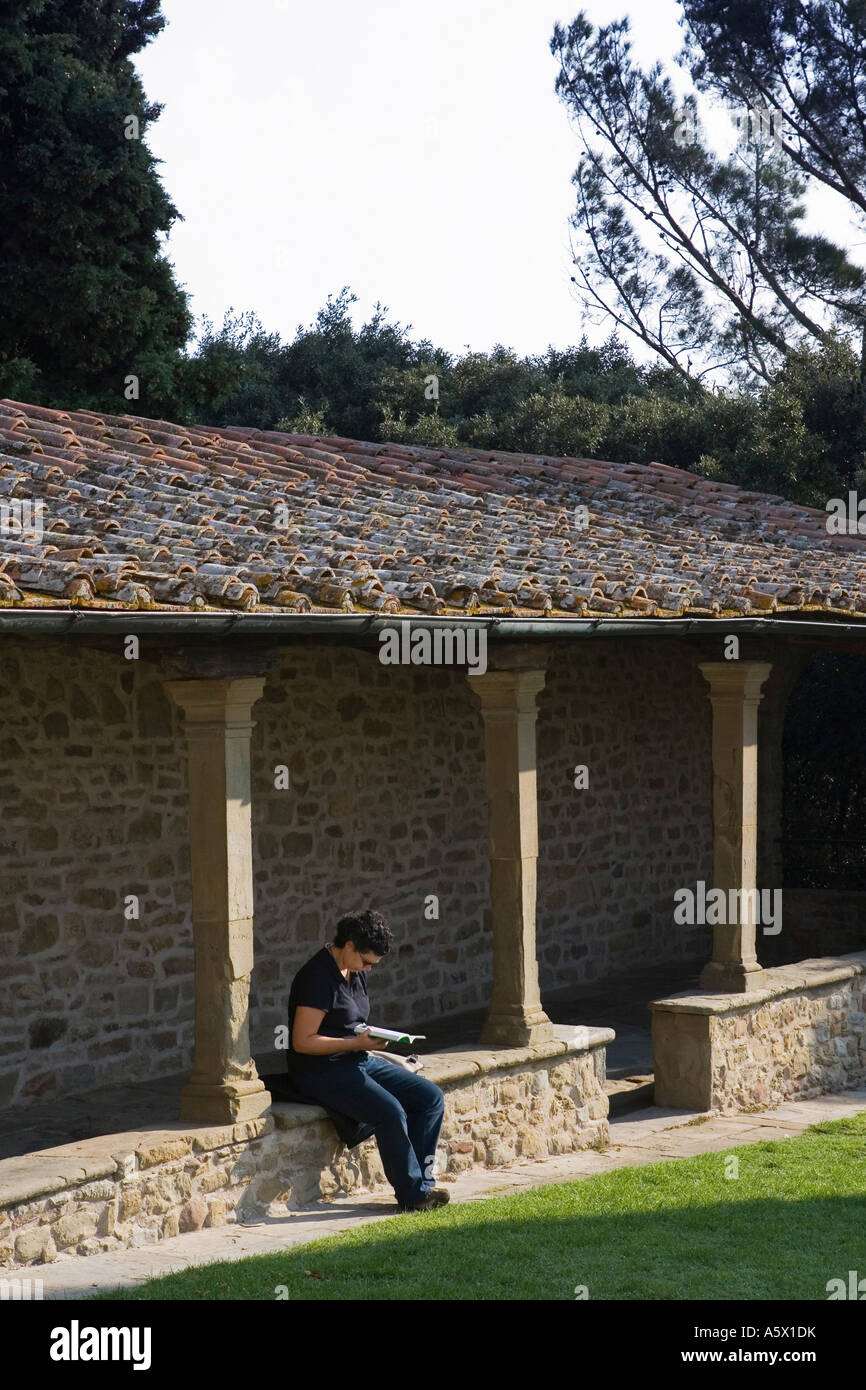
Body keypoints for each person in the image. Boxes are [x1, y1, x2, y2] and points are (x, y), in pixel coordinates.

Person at [286, 909, 450, 1213]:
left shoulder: (355, 972)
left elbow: (349, 1019)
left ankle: (422, 1184)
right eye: (366, 961)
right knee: (390, 1111)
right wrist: (354, 1042)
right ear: (349, 945)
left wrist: (368, 1038)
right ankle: (412, 1195)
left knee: (430, 1098)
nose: (368, 969)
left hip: (356, 1059)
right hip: (321, 1070)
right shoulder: (317, 978)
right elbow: (302, 1041)